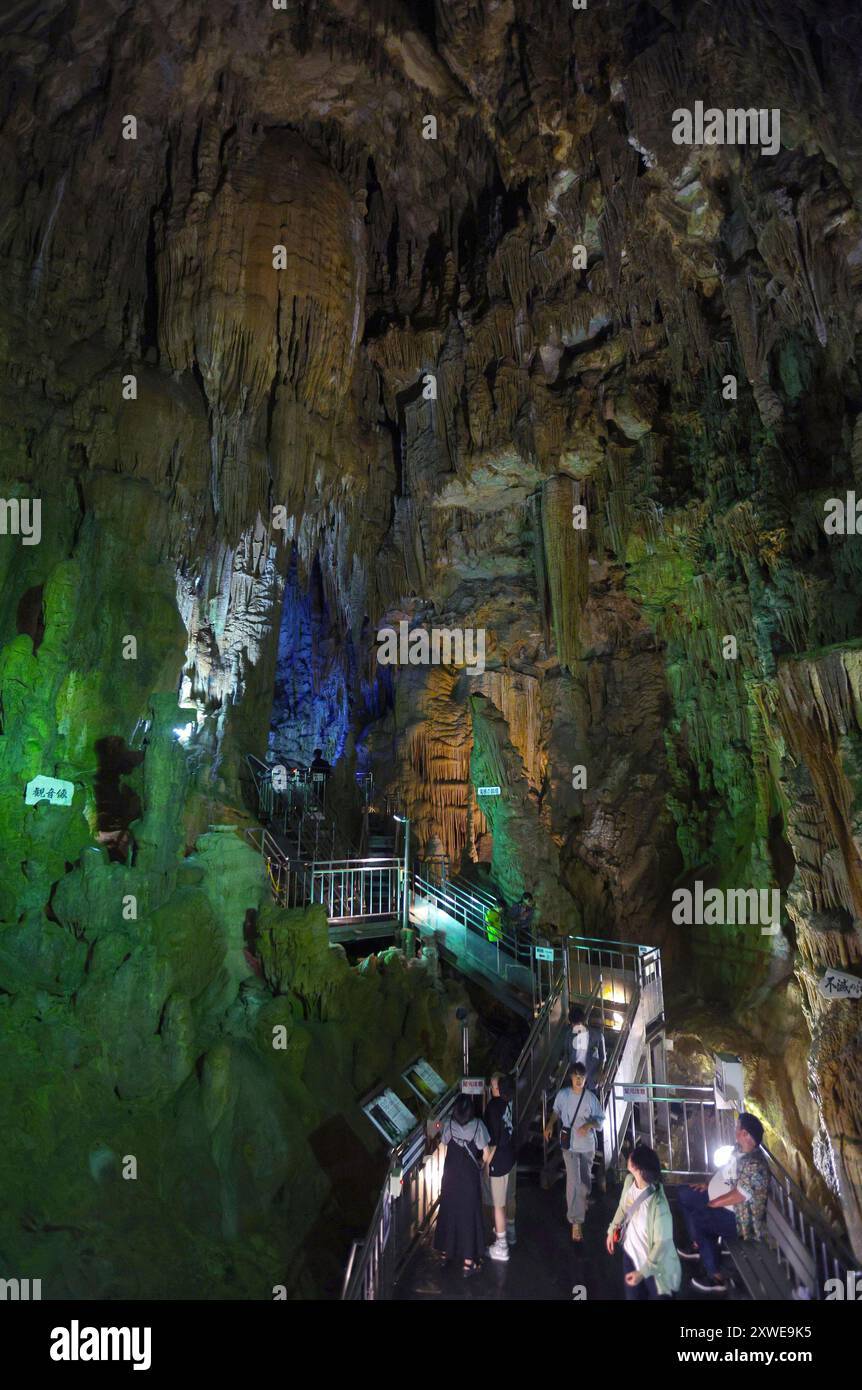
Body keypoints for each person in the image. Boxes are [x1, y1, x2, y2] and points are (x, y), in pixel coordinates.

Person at [676, 1112, 769, 1293]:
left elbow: (740, 1195)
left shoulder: (755, 1164)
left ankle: (715, 1276)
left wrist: (714, 1203)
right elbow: (725, 1173)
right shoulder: (738, 1150)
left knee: (700, 1218)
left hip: (739, 1218)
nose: (735, 1129)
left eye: (738, 1127)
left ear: (745, 1134)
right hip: (719, 1200)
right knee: (684, 1195)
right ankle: (698, 1243)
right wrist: (707, 1184)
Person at [606, 1143, 681, 1300]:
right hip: (630, 1256)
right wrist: (612, 1229)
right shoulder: (629, 1181)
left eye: (632, 1156)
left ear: (637, 1167)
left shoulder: (659, 1205)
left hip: (654, 1266)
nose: (629, 1157)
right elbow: (623, 1208)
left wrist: (643, 1272)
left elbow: (662, 1244)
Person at [544, 1062, 604, 1240]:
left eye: (582, 1077)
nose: (579, 1080)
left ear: (585, 1079)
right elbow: (556, 1111)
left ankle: (582, 1199)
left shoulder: (591, 1098)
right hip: (569, 1144)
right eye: (576, 1076)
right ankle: (576, 1222)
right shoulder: (563, 1095)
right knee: (574, 1181)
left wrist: (589, 1124)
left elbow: (601, 1120)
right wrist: (550, 1124)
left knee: (584, 1180)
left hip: (587, 1146)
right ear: (571, 1077)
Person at [434, 1095, 492, 1276]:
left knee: (449, 1211)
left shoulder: (449, 1124)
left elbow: (443, 1142)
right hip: (469, 1177)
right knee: (469, 1215)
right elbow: (486, 1153)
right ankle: (468, 1264)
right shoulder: (478, 1126)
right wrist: (483, 1166)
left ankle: (445, 1254)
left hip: (451, 1175)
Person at [483, 1073, 516, 1262]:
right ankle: (504, 1235)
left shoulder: (493, 1107)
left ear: (497, 1089)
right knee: (504, 1202)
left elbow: (492, 1141)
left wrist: (487, 1163)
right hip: (509, 1157)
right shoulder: (507, 1103)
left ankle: (501, 1246)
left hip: (499, 1161)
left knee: (498, 1205)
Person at [567, 1005, 606, 1092]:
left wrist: (600, 1072)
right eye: (573, 1024)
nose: (575, 1027)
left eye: (577, 1024)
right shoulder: (570, 1035)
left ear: (583, 1022)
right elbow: (567, 1055)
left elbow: (603, 1057)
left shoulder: (597, 1036)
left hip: (591, 1078)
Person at [507, 892, 535, 960]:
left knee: (527, 944)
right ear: (523, 900)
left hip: (525, 928)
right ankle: (515, 958)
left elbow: (529, 920)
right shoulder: (516, 906)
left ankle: (526, 960)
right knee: (515, 944)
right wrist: (521, 917)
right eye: (529, 901)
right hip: (516, 929)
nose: (530, 903)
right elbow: (510, 919)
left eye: (531, 901)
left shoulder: (530, 909)